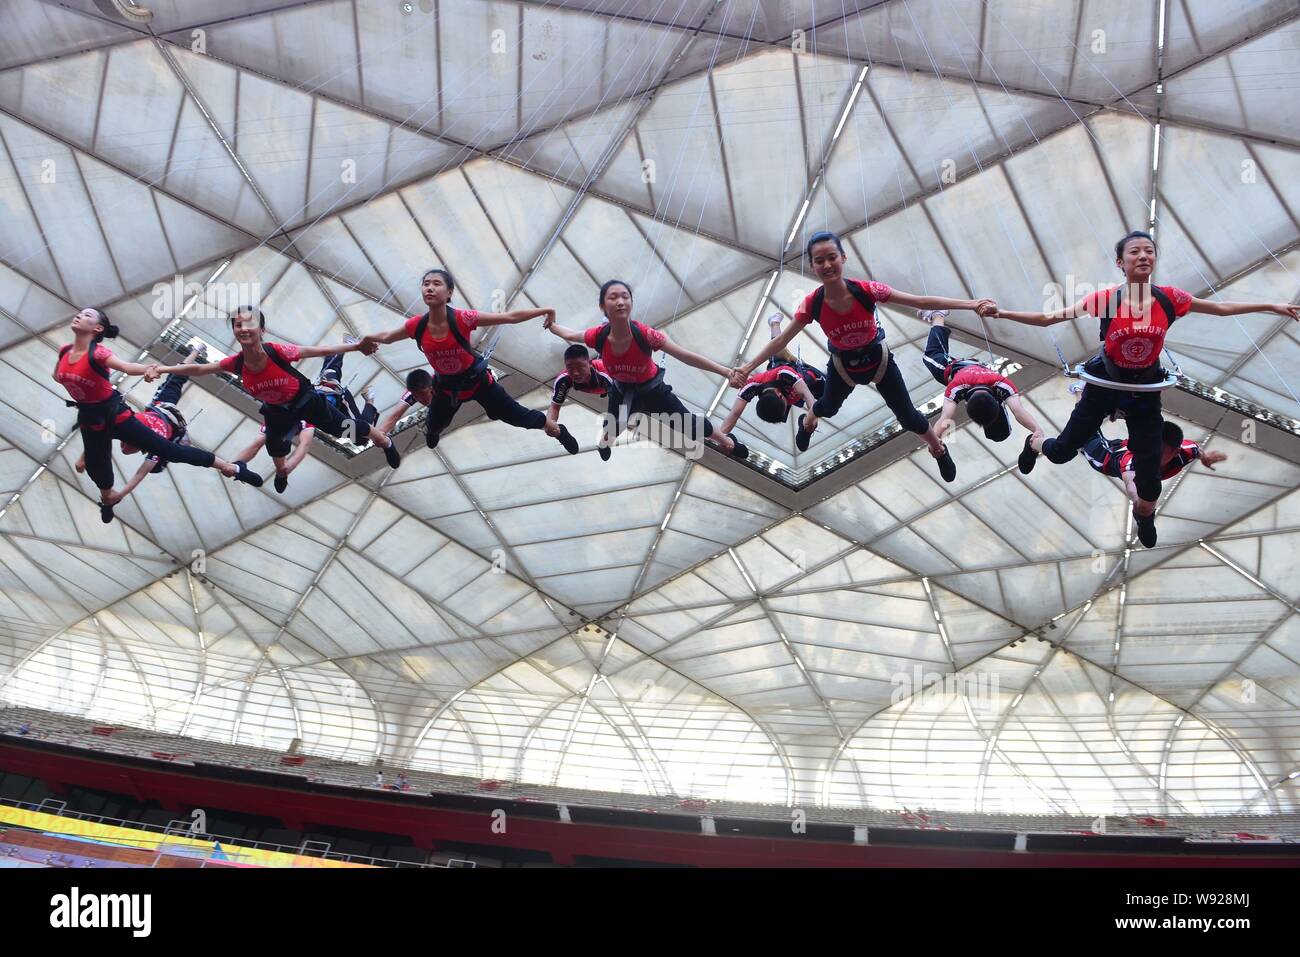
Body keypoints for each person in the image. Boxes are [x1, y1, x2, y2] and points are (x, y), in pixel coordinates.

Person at [994, 229, 1298, 547]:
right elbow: (1046, 319)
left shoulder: (1170, 298)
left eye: (1149, 251)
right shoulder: (1106, 299)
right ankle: (1034, 444)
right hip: (1105, 385)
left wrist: (1272, 306)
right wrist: (1001, 313)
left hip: (1145, 391)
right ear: (1120, 263)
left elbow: (1220, 309)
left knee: (1150, 482)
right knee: (1060, 452)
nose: (1143, 256)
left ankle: (1145, 515)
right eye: (1135, 252)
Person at [734, 231, 997, 482]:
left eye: (832, 257)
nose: (827, 264)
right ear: (812, 266)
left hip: (878, 362)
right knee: (826, 407)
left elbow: (920, 302)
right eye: (819, 260)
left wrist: (971, 304)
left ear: (843, 258)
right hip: (843, 367)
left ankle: (938, 449)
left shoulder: (867, 290)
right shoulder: (812, 304)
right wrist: (747, 367)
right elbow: (781, 341)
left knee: (908, 417)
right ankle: (808, 422)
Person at [144, 306, 402, 493]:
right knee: (274, 447)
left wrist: (356, 347)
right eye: (237, 324)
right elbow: (199, 369)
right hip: (277, 412)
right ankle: (282, 472)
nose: (243, 328)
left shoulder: (276, 351)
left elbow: (319, 350)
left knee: (348, 430)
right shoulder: (236, 363)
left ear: (262, 329)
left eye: (249, 323)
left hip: (306, 401)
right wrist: (164, 369)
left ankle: (385, 441)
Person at [54, 308, 262, 523]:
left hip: (126, 415)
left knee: (171, 450)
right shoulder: (64, 351)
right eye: (80, 313)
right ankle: (108, 499)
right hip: (100, 416)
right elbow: (60, 376)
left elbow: (126, 366)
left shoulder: (98, 353)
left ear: (98, 328)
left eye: (87, 315)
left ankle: (232, 467)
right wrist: (85, 458)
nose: (80, 315)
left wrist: (149, 369)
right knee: (98, 469)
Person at [360, 268, 579, 455]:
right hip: (446, 389)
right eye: (426, 284)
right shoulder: (416, 326)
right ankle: (433, 432)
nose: (430, 288)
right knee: (435, 424)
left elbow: (509, 317)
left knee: (518, 417)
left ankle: (558, 431)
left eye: (437, 284)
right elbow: (387, 337)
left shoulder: (463, 318)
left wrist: (546, 310)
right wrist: (368, 339)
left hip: (479, 383)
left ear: (449, 293)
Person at [542, 279, 748, 460]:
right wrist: (552, 325)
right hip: (620, 390)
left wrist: (726, 371)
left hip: (653, 391)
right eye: (613, 297)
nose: (621, 301)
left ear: (631, 303)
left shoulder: (646, 335)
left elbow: (686, 356)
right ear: (603, 306)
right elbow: (570, 335)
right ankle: (605, 442)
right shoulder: (598, 336)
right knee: (613, 427)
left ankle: (727, 442)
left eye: (625, 297)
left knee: (690, 427)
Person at [72, 345, 215, 503]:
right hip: (169, 420)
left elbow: (98, 436)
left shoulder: (133, 431)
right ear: (138, 444)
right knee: (176, 380)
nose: (123, 447)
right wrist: (120, 494)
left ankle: (195, 351)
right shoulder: (149, 442)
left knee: (176, 378)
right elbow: (140, 473)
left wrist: (83, 459)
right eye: (126, 445)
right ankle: (195, 351)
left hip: (161, 410)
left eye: (122, 445)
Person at [921, 310, 1044, 473]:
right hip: (967, 370)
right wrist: (1036, 429)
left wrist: (935, 442)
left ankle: (938, 315)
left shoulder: (967, 386)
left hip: (970, 369)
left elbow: (945, 417)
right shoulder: (995, 384)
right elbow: (1019, 411)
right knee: (931, 356)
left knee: (999, 435)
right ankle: (938, 316)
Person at [717, 314, 826, 450]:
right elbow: (735, 413)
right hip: (789, 389)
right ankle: (804, 424)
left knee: (778, 350)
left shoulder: (782, 373)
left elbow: (806, 394)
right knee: (825, 407)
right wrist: (720, 437)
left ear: (780, 396)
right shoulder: (751, 389)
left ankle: (774, 322)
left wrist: (814, 414)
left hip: (796, 373)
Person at [1084, 420, 1227, 507]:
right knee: (1082, 433)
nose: (1151, 455)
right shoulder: (1133, 463)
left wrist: (1205, 458)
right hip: (1106, 457)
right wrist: (1139, 501)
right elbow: (1131, 483)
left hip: (1123, 447)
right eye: (1150, 447)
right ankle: (1080, 391)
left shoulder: (1186, 453)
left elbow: (1197, 449)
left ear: (1176, 452)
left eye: (1159, 451)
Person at [546, 344, 615, 458]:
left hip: (615, 385)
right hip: (601, 387)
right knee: (548, 425)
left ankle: (605, 441)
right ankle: (561, 433)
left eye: (580, 366)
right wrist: (551, 426)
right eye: (570, 368)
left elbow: (618, 405)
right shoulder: (564, 379)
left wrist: (608, 435)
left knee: (620, 417)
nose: (575, 373)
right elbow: (554, 407)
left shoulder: (606, 373)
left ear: (589, 363)